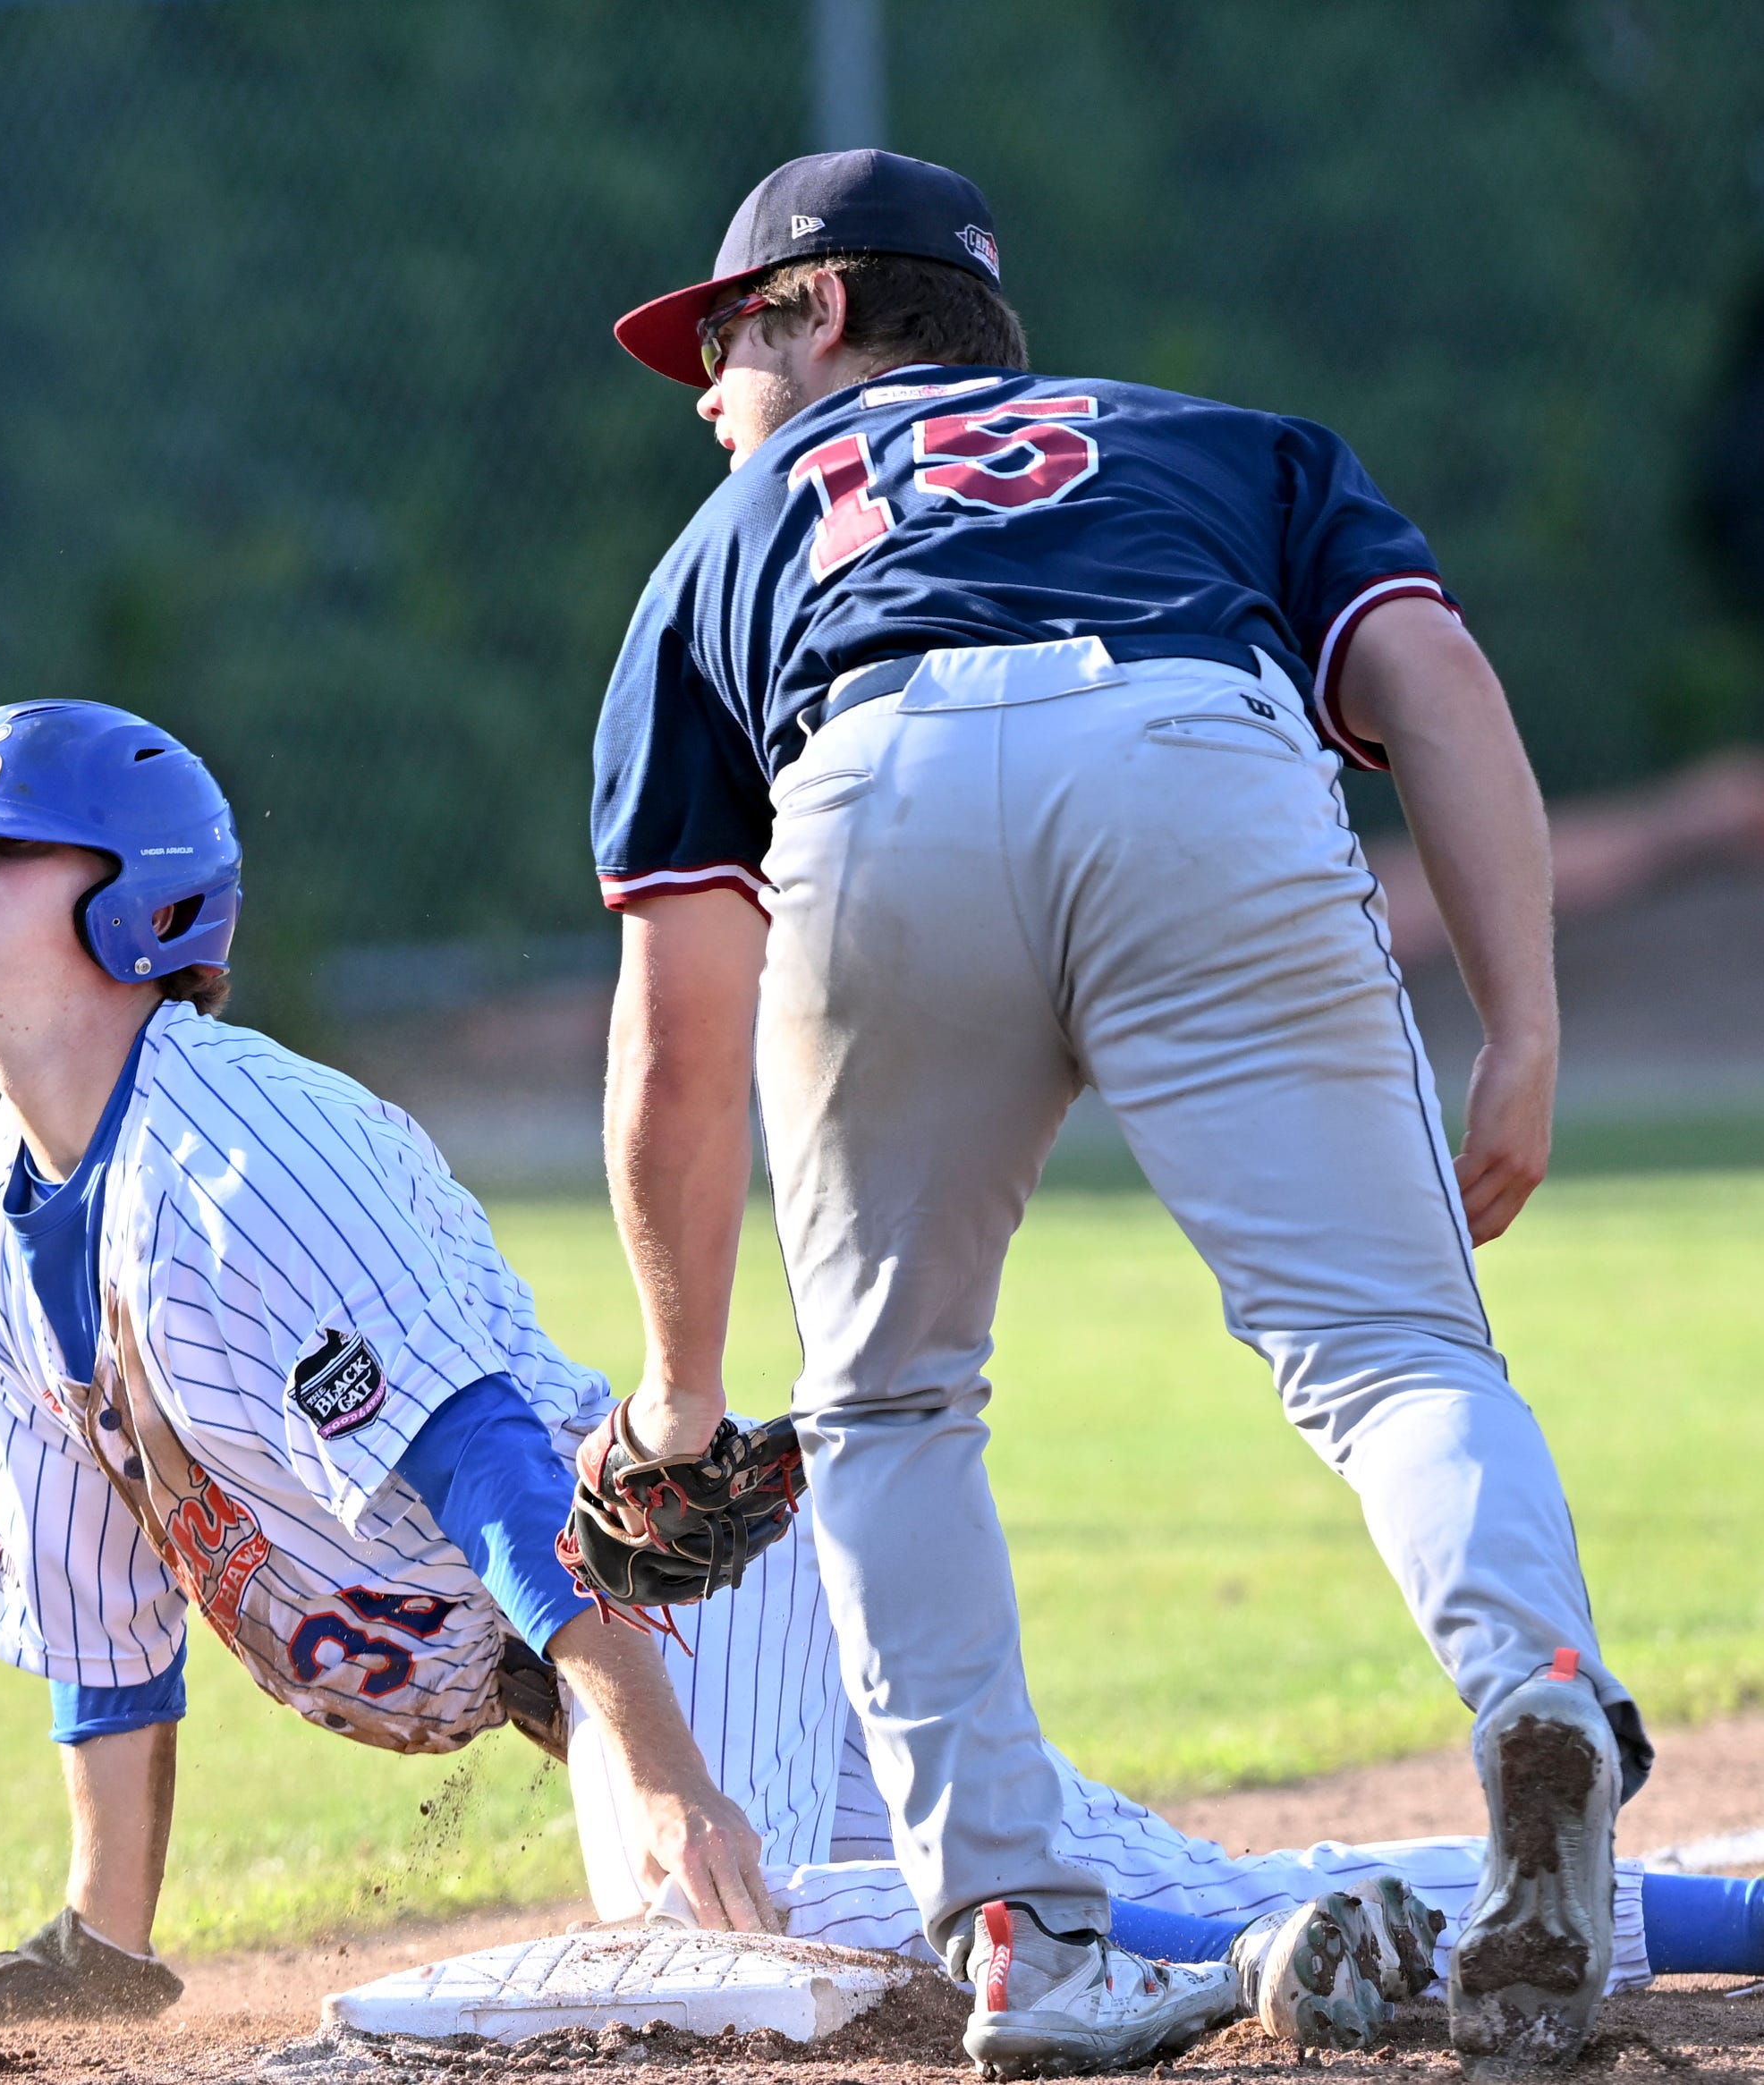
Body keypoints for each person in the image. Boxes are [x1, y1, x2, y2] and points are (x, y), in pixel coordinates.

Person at [0, 702, 1764, 2055]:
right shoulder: (1, 1228)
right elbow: (104, 1607)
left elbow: (490, 1453)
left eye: (0, 845)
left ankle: (1275, 1965)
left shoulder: (243, 1146)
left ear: (137, 899)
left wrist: (640, 1746)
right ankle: (1540, 1915)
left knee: (775, 1920)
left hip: (657, 1589)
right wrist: (104, 1943)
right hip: (602, 1640)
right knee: (1063, 1868)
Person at [586, 148, 1639, 2074]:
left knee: (891, 1400)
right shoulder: (1226, 442)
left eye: (725, 340)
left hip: (873, 781)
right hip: (1195, 746)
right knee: (1394, 1350)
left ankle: (1026, 1942)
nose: (708, 394)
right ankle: (1536, 1687)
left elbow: (677, 1011)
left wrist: (672, 1393)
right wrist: (1525, 1030)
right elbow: (1438, 681)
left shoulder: (732, 538)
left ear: (821, 308)